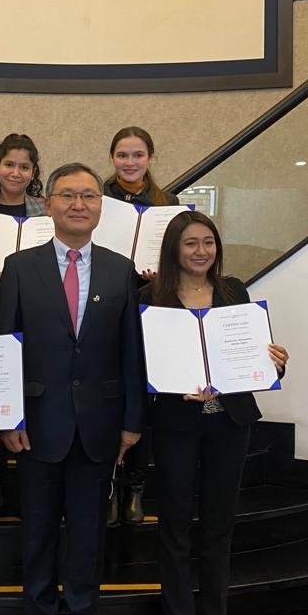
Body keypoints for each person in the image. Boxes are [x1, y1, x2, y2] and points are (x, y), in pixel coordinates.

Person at [0, 163, 146, 615]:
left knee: (88, 535)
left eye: (88, 196)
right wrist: (7, 419)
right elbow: (4, 347)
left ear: (101, 206)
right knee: (37, 534)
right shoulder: (19, 267)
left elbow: (132, 352)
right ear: (48, 204)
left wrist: (132, 422)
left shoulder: (121, 270)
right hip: (36, 425)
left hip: (99, 425)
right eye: (67, 195)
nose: (78, 205)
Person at [143, 211, 288, 615]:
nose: (201, 251)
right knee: (174, 523)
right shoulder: (149, 297)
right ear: (174, 249)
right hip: (175, 424)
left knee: (219, 523)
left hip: (229, 422)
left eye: (208, 242)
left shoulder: (232, 290)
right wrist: (171, 386)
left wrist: (274, 362)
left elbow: (249, 353)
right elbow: (140, 362)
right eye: (190, 243)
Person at [102, 126, 175, 526]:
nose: (130, 162)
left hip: (151, 305)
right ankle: (110, 485)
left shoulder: (168, 204)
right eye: (122, 155)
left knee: (141, 398)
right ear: (112, 158)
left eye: (138, 155)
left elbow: (180, 257)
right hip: (107, 304)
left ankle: (136, 486)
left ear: (150, 158)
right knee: (111, 397)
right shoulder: (99, 198)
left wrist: (160, 273)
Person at [0, 133, 47, 217]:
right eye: (9, 165)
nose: (16, 174)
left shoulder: (47, 210)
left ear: (33, 173)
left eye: (24, 167)